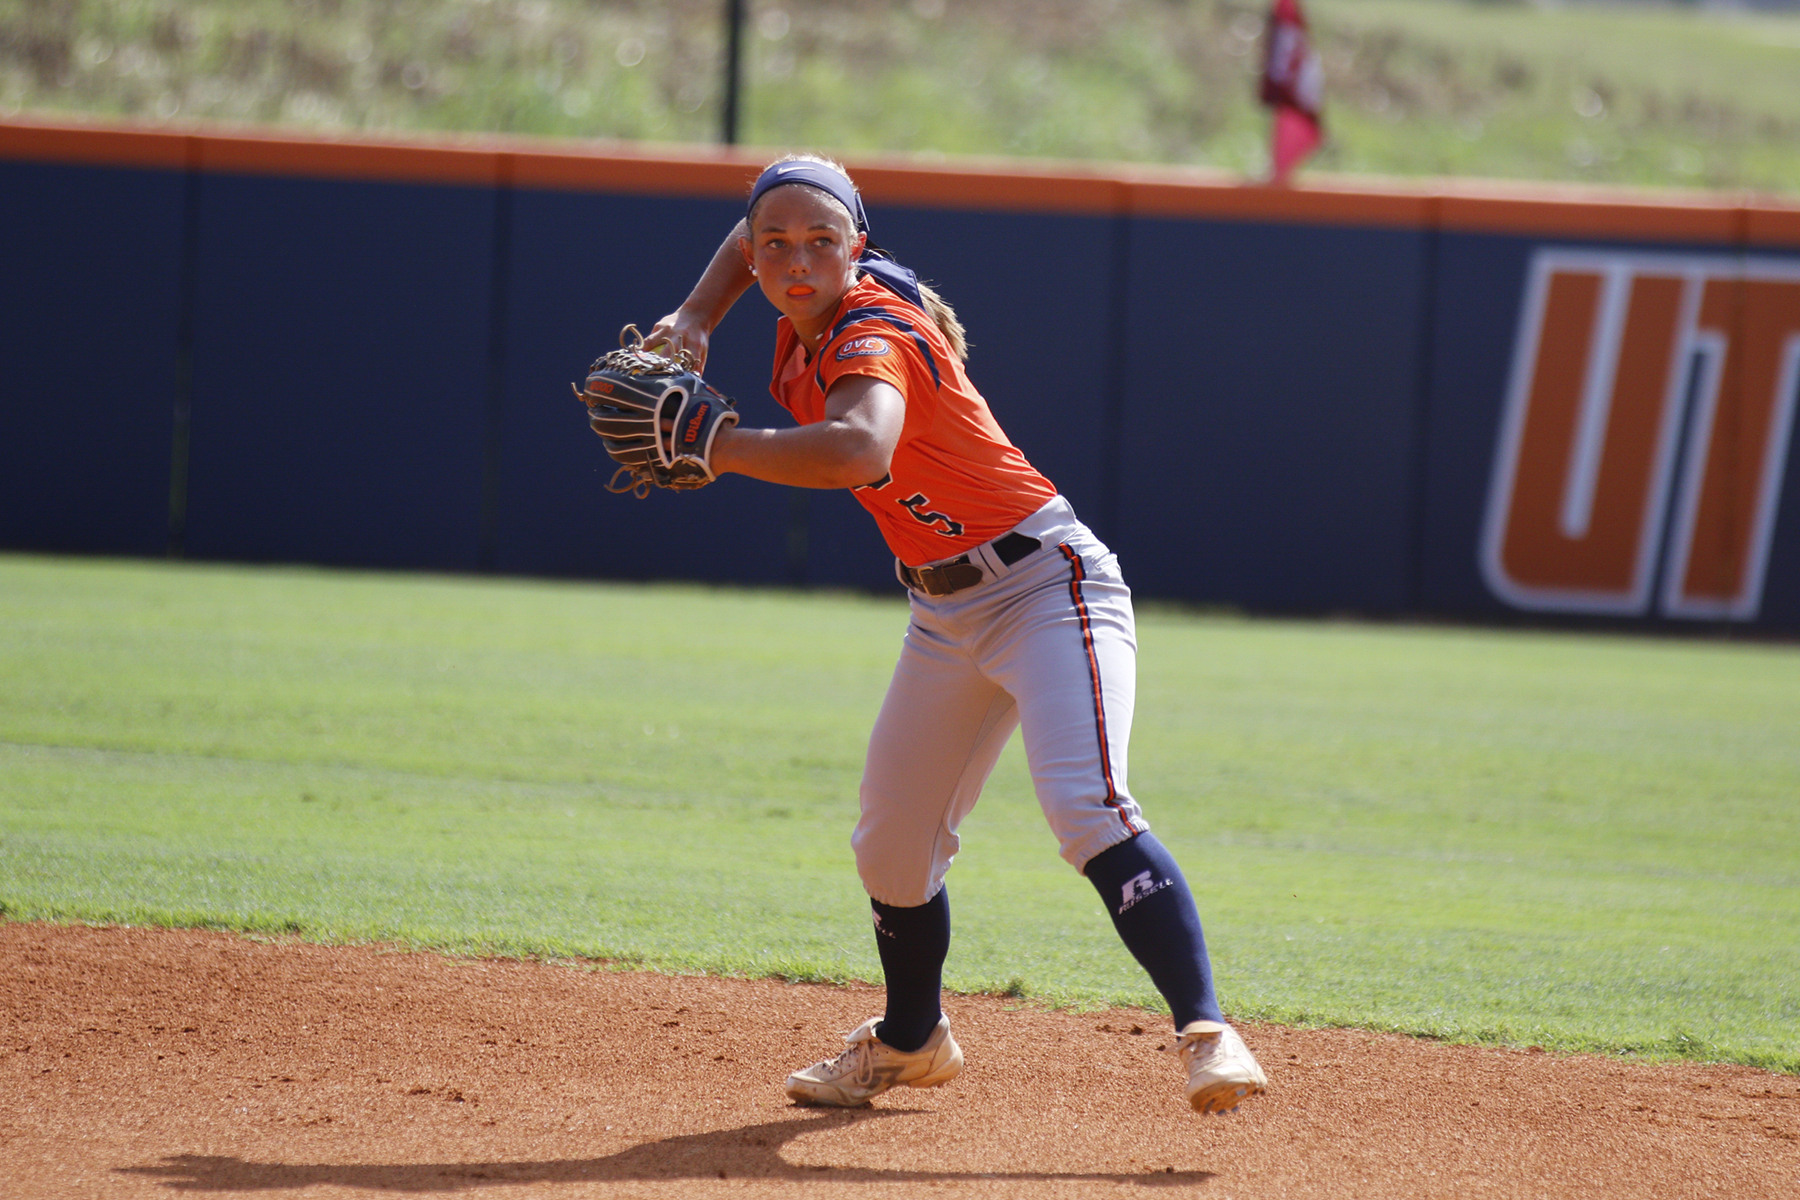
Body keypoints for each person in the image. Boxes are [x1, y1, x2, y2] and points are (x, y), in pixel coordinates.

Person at [646, 154, 1267, 1114]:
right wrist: (695, 315)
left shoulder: (872, 330)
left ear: (860, 248)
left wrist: (716, 447)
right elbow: (751, 238)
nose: (796, 260)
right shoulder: (794, 277)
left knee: (1087, 807)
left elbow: (860, 448)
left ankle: (1208, 1032)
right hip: (944, 610)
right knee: (891, 845)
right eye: (779, 245)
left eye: (821, 243)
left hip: (1050, 587)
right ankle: (909, 1041)